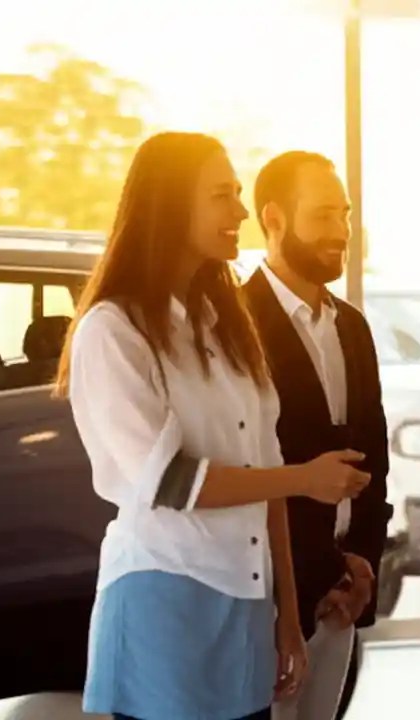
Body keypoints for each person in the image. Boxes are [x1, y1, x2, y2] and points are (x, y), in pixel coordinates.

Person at [55, 132, 372, 720]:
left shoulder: (221, 324)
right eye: (222, 196)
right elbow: (171, 483)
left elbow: (265, 467)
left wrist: (287, 619)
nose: (241, 212)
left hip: (249, 603)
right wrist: (302, 479)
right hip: (164, 602)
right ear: (172, 205)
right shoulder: (113, 330)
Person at [243, 150, 392, 720]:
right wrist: (320, 574)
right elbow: (254, 468)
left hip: (343, 598)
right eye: (324, 214)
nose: (341, 231)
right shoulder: (235, 321)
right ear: (274, 218)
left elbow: (373, 458)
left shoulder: (351, 326)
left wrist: (361, 568)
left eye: (346, 215)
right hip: (271, 599)